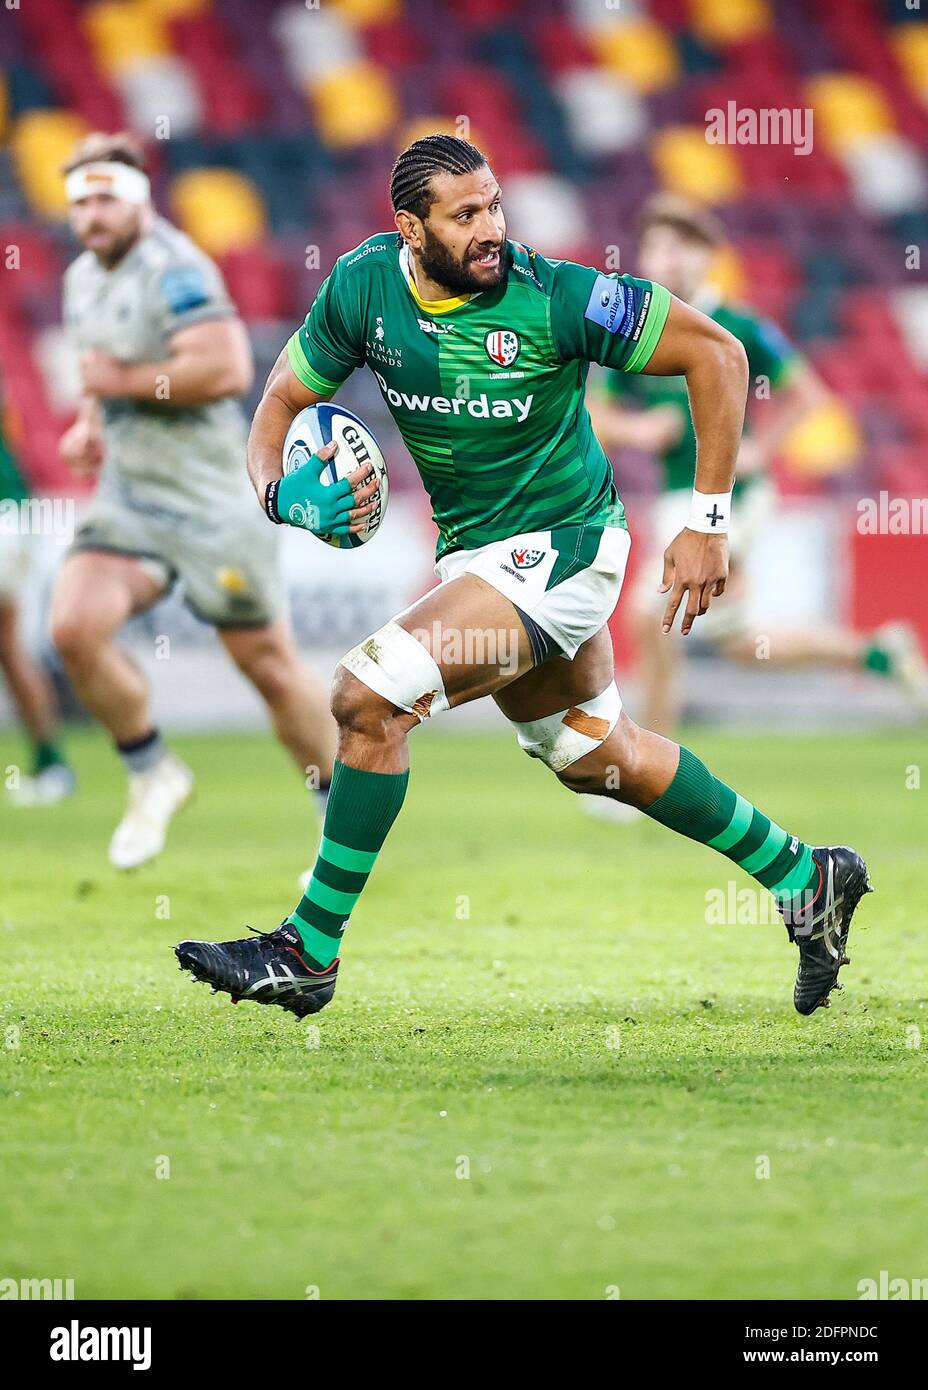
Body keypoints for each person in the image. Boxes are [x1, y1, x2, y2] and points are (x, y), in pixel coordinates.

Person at [176, 135, 872, 1020]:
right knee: (593, 755)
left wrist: (706, 524)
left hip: (569, 548)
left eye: (495, 206)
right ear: (410, 228)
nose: (490, 229)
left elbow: (719, 357)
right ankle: (807, 876)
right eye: (465, 215)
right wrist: (278, 496)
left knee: (365, 699)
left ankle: (308, 951)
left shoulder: (557, 296)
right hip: (481, 555)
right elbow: (280, 399)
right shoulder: (363, 287)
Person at [52, 132, 336, 869]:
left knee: (269, 668)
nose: (93, 213)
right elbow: (98, 368)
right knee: (74, 626)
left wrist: (115, 385)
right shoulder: (82, 275)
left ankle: (339, 814)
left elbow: (222, 367)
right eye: (80, 202)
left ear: (140, 198)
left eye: (107, 195)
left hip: (213, 503)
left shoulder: (176, 268)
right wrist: (90, 423)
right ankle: (153, 771)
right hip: (131, 501)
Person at [588, 192, 927, 734]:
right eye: (656, 246)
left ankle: (642, 755)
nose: (668, 258)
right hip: (675, 497)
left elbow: (810, 395)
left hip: (731, 498)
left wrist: (761, 450)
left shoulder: (738, 325)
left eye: (683, 246)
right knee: (743, 644)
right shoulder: (637, 328)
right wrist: (639, 428)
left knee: (646, 614)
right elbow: (596, 414)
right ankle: (878, 654)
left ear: (708, 256)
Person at [0, 394, 74, 805]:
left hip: (5, 519)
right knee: (10, 651)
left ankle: (53, 764)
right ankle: (52, 764)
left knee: (10, 650)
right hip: (16, 515)